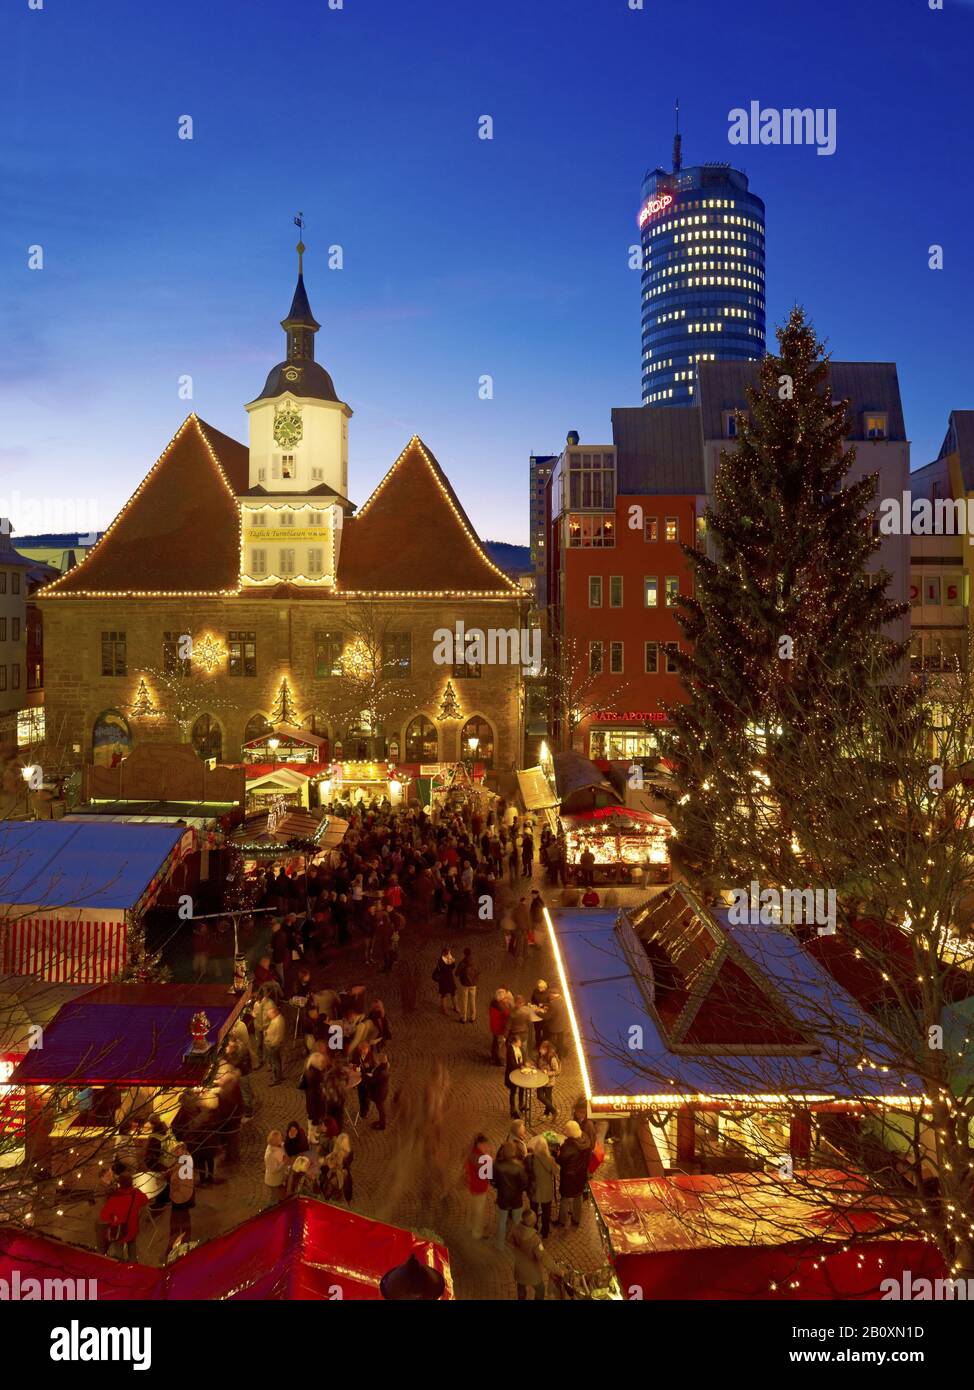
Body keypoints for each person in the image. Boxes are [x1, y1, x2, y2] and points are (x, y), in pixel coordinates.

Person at [97, 1173, 149, 1259]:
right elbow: (145, 1200)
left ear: (120, 1184)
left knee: (118, 1251)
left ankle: (121, 1263)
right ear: (131, 1182)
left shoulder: (114, 1197)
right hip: (131, 1228)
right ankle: (133, 1263)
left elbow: (103, 1215)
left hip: (118, 1230)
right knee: (132, 1245)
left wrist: (112, 1218)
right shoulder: (136, 1193)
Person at [554, 1120, 591, 1229]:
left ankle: (562, 1220)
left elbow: (560, 1160)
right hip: (581, 1175)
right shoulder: (585, 1139)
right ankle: (576, 1218)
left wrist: (558, 1154)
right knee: (578, 1196)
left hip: (569, 1177)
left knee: (565, 1198)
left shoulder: (569, 1146)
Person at [491, 1142, 527, 1251]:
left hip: (503, 1198)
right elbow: (524, 1183)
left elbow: (493, 1181)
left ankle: (500, 1245)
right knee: (517, 1221)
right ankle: (517, 1243)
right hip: (516, 1199)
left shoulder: (496, 1165)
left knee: (502, 1221)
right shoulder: (519, 1167)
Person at [509, 1208, 551, 1300]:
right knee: (540, 1289)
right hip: (532, 1272)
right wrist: (559, 1271)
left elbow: (510, 1244)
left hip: (519, 1268)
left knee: (521, 1286)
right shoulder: (535, 1239)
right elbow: (543, 1257)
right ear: (532, 1223)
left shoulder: (515, 1228)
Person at [526, 1133, 557, 1238]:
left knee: (533, 1211)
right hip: (546, 1190)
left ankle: (533, 1229)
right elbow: (556, 1172)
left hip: (534, 1189)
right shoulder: (550, 1160)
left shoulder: (530, 1159)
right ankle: (545, 1231)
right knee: (546, 1212)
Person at [166, 1143, 196, 1255]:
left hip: (181, 1199)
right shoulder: (184, 1158)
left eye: (177, 1151)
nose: (175, 1153)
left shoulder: (185, 1165)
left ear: (184, 1150)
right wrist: (169, 1172)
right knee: (184, 1220)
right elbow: (176, 1168)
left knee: (177, 1223)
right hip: (181, 1198)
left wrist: (175, 1194)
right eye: (175, 1151)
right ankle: (184, 1242)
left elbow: (184, 1184)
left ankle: (177, 1247)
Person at [464, 1133, 493, 1240]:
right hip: (480, 1188)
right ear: (479, 1144)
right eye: (485, 1144)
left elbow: (466, 1167)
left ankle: (468, 1227)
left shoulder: (471, 1153)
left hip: (471, 1186)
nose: (487, 1146)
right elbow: (488, 1174)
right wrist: (489, 1156)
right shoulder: (485, 1159)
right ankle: (477, 1233)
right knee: (479, 1211)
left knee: (471, 1208)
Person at [263, 1000, 286, 1085]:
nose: (269, 1017)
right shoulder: (280, 1018)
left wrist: (266, 1033)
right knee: (278, 1061)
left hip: (273, 1045)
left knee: (274, 1062)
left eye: (269, 1015)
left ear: (274, 1013)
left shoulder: (276, 1022)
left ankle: (276, 1079)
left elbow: (271, 1034)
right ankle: (279, 1076)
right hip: (277, 1043)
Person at [536, 1040, 561, 1120]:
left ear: (547, 1049)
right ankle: (554, 1111)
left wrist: (547, 1073)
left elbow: (557, 1071)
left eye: (542, 1049)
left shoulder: (552, 1058)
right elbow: (539, 1065)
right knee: (540, 1096)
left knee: (547, 1098)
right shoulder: (541, 1056)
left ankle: (547, 1114)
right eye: (540, 1049)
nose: (540, 1051)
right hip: (541, 1080)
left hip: (549, 1082)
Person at [263, 1129, 289, 1206]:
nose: (282, 1140)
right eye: (280, 1139)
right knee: (274, 1198)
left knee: (278, 1195)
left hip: (278, 1178)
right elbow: (273, 1170)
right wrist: (283, 1163)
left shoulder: (277, 1145)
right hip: (273, 1180)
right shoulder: (270, 1155)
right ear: (276, 1141)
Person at [504, 1034, 526, 1119]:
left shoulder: (520, 1048)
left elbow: (523, 1057)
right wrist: (521, 1065)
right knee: (513, 1092)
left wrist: (524, 1064)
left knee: (522, 1089)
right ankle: (512, 1110)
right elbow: (511, 1064)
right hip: (512, 1074)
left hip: (520, 1073)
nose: (520, 1043)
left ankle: (521, 1105)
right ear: (515, 1042)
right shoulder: (510, 1050)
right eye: (519, 1041)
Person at [489, 988, 512, 1066]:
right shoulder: (501, 1006)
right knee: (501, 1045)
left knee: (495, 1043)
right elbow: (508, 1015)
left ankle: (493, 1058)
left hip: (494, 1026)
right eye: (505, 997)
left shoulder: (493, 1002)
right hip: (500, 1028)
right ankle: (501, 1061)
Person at [432, 946, 457, 1015]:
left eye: (449, 953)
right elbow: (445, 969)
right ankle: (444, 1009)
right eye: (448, 953)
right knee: (444, 994)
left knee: (453, 993)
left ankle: (455, 1006)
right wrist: (449, 962)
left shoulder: (449, 957)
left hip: (450, 978)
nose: (449, 954)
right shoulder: (440, 961)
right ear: (444, 953)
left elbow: (452, 967)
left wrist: (452, 962)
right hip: (443, 980)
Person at [456, 947, 479, 1023]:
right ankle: (473, 1017)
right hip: (473, 984)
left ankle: (464, 1017)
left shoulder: (463, 963)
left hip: (465, 984)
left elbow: (457, 973)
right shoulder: (474, 961)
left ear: (464, 954)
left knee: (464, 1001)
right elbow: (478, 971)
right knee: (472, 1000)